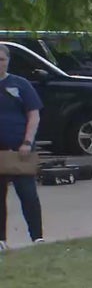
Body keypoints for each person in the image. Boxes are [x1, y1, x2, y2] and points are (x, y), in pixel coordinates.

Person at [0, 43, 45, 251]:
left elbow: (33, 115)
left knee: (28, 196)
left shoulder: (21, 85)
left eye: (2, 59)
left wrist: (27, 142)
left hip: (20, 151)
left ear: (8, 61)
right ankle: (1, 241)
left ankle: (37, 237)